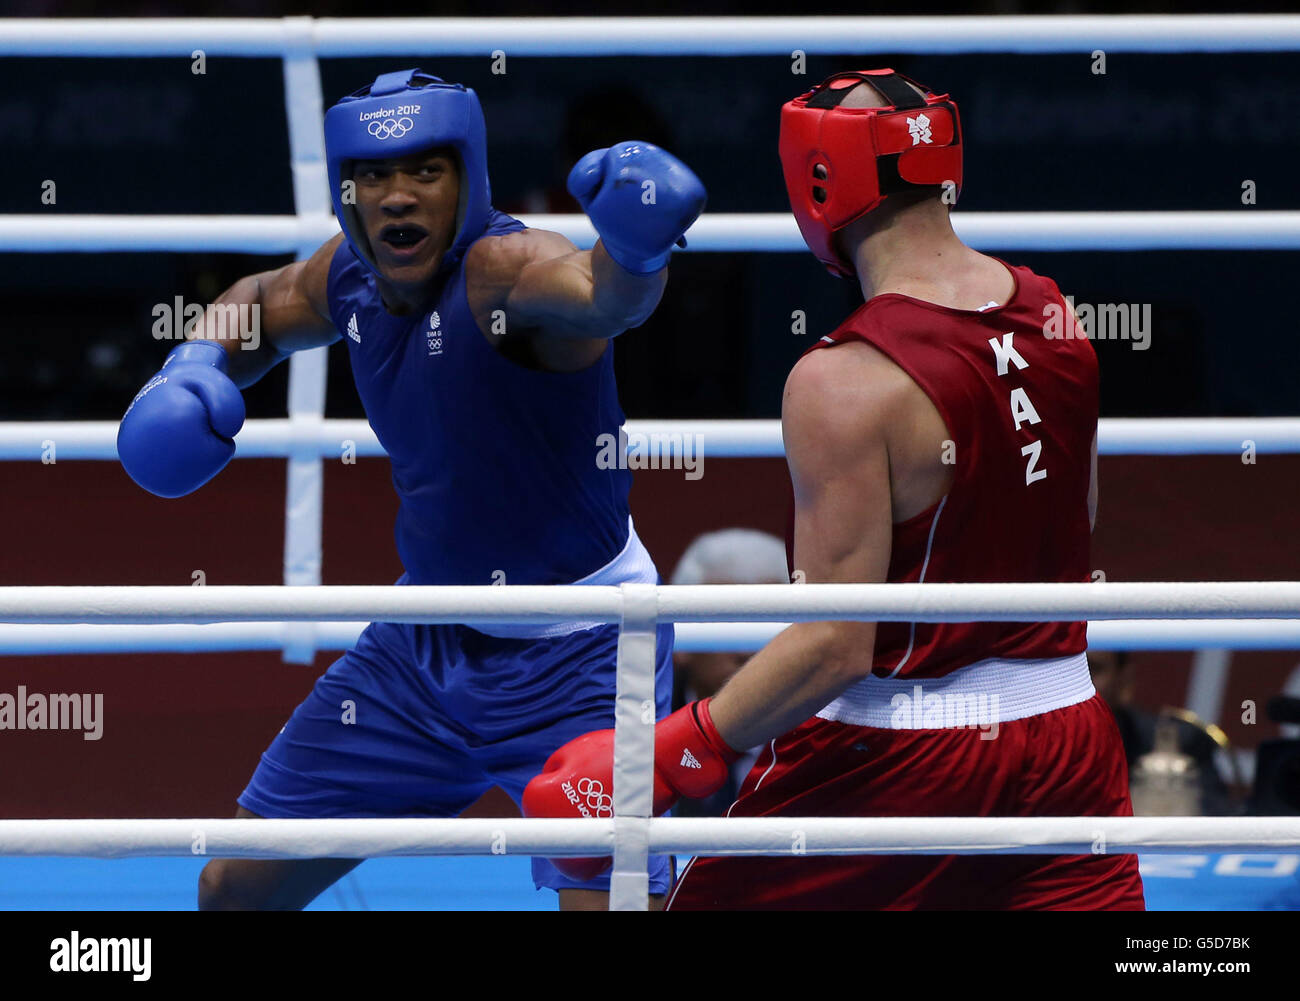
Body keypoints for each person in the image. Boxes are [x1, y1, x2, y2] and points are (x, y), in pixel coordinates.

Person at [525, 69, 1145, 910]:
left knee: (590, 840)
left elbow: (834, 644)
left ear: (818, 180)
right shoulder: (1056, 315)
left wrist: (668, 750)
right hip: (1069, 739)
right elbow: (1078, 520)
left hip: (899, 755)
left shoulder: (844, 380)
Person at [116, 69, 705, 911]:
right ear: (347, 193)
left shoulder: (505, 271)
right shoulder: (349, 278)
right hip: (421, 648)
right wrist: (195, 364)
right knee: (234, 888)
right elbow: (260, 300)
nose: (398, 198)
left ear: (467, 179)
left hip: (582, 657)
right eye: (375, 177)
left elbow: (601, 296)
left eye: (425, 172)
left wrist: (638, 253)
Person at [669, 529, 789, 817]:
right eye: (728, 619)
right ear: (680, 635)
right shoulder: (636, 720)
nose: (746, 651)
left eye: (765, 623)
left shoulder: (828, 733)